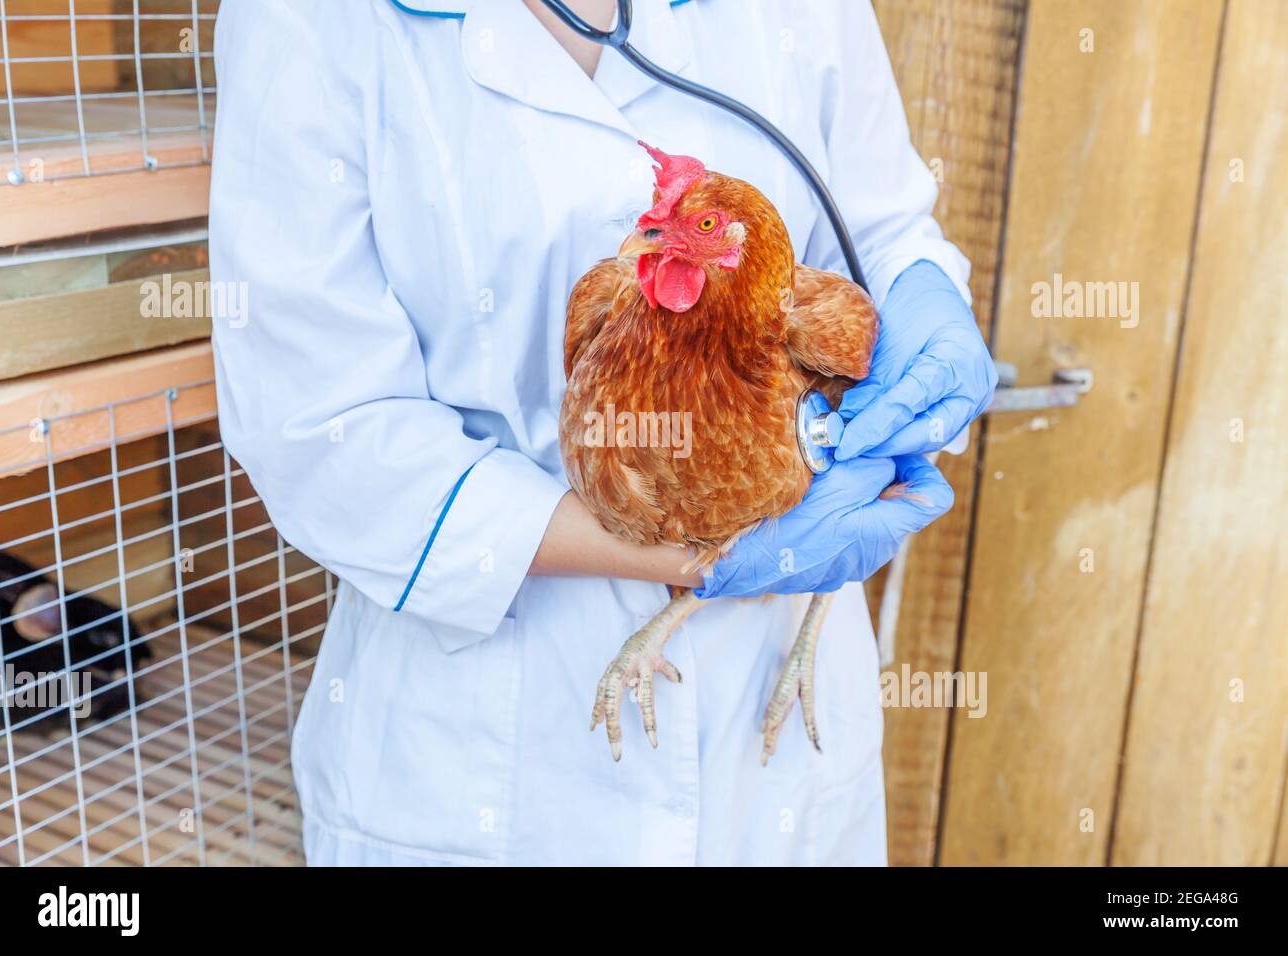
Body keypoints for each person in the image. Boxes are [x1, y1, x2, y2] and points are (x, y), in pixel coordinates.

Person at [208, 0, 996, 866]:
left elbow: (878, 219)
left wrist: (925, 300)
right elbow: (322, 424)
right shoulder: (313, 21)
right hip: (493, 726)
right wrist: (698, 556)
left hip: (774, 721)